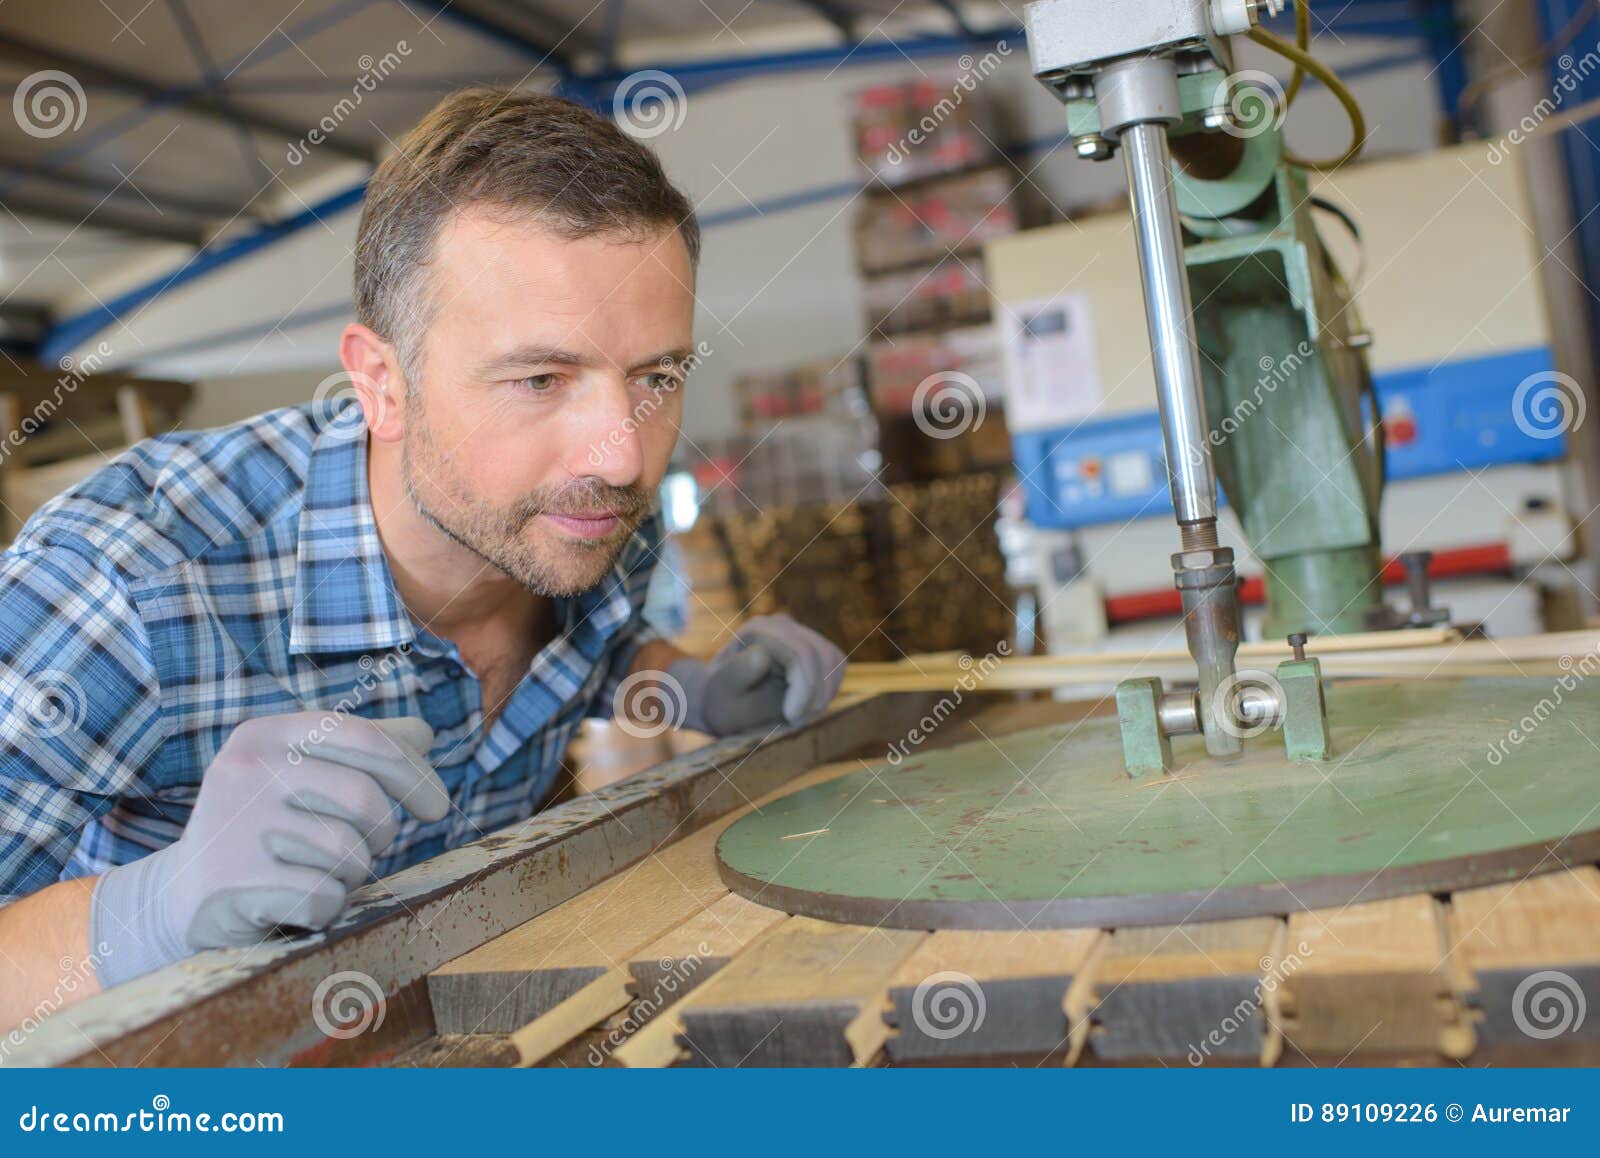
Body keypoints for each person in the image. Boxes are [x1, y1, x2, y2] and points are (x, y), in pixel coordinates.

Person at [0, 87, 845, 1025]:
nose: (622, 455)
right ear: (382, 384)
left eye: (657, 376)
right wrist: (148, 914)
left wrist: (691, 688)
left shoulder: (584, 514)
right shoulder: (124, 584)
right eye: (539, 378)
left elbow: (589, 654)